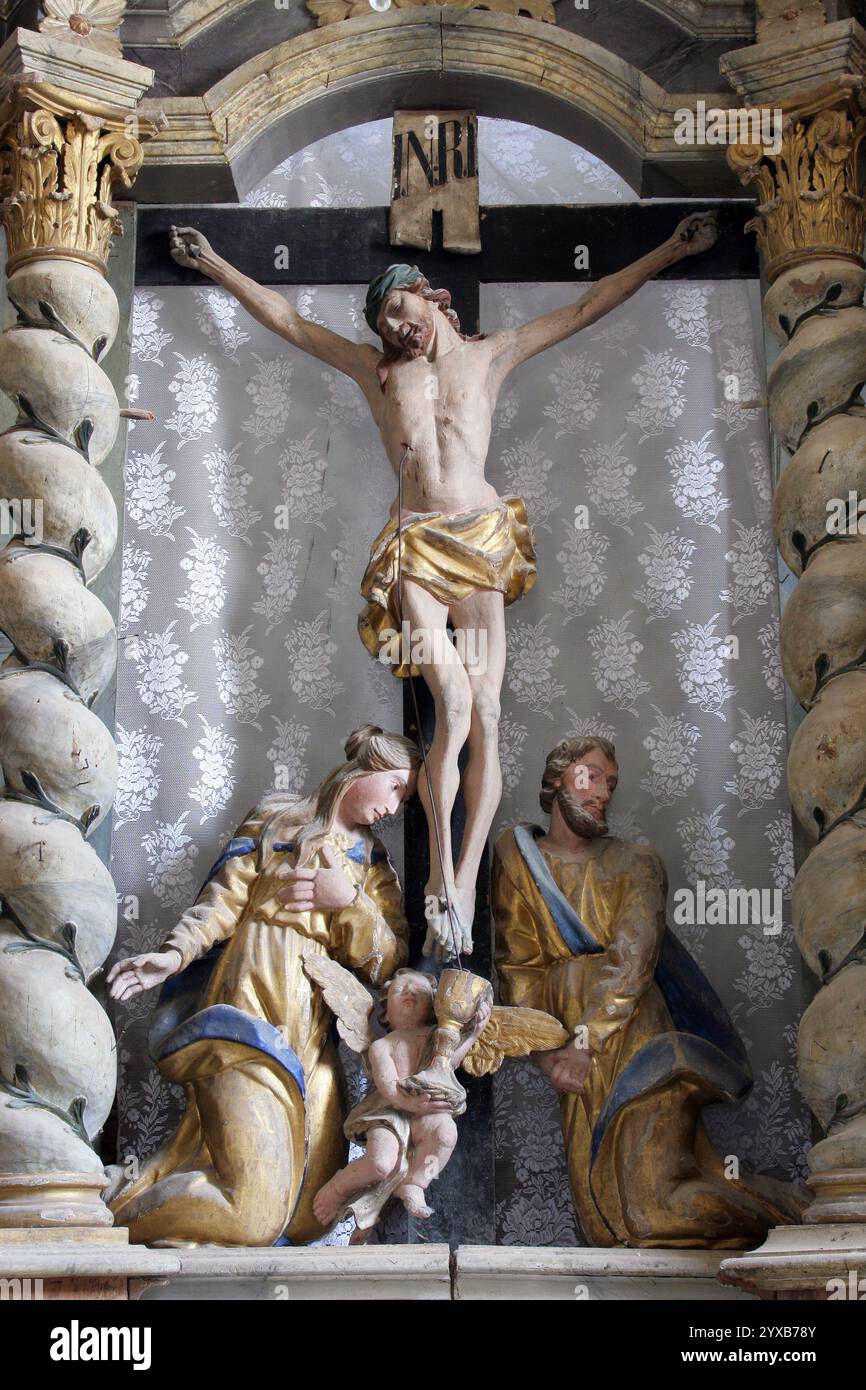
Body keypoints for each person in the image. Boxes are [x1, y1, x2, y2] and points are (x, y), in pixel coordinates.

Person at [168, 211, 719, 956]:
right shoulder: (380, 372)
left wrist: (668, 249)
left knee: (486, 710)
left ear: (430, 296)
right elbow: (294, 325)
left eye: (401, 307)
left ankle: (459, 883)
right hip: (417, 544)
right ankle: (434, 886)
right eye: (385, 321)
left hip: (482, 538)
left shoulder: (490, 356)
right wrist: (217, 267)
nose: (397, 327)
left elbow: (586, 306)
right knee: (451, 705)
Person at [106, 725, 423, 1246]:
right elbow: (222, 901)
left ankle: (169, 1209)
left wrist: (348, 901)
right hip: (247, 1013)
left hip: (314, 1034)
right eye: (395, 787)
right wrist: (173, 954)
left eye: (405, 798)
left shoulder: (371, 864)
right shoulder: (276, 816)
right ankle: (112, 1216)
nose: (395, 806)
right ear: (366, 768)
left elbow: (391, 960)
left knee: (310, 1214)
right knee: (256, 1212)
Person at [492, 735, 807, 1248]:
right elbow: (518, 966)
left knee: (650, 1210)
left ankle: (793, 1213)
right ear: (556, 779)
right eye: (590, 776)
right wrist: (548, 1056)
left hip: (639, 1043)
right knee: (604, 1222)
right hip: (570, 1051)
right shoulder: (516, 858)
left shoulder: (637, 863)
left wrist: (587, 1038)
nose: (602, 792)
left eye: (610, 783)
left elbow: (633, 960)